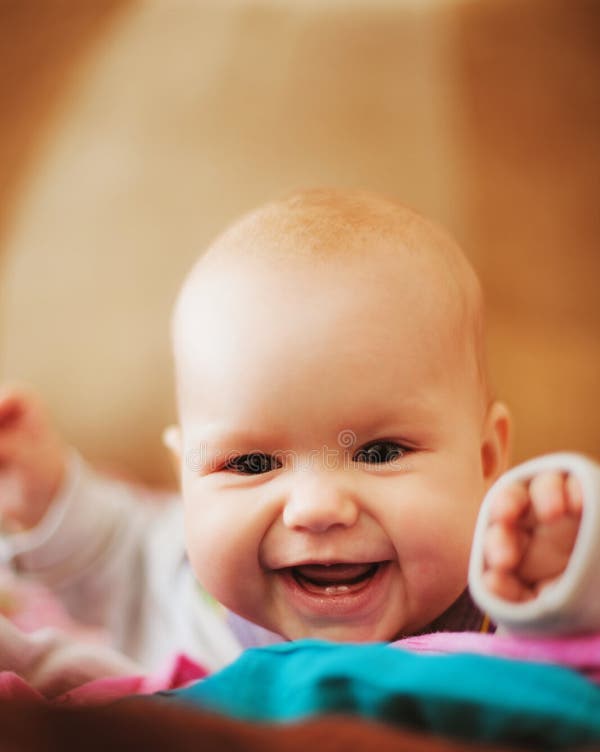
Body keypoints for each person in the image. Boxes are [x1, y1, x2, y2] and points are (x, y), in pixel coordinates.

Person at [0, 188, 591, 678]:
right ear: (186, 480)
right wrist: (46, 493)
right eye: (252, 464)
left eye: (380, 452)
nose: (316, 509)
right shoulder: (182, 591)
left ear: (488, 458)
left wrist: (564, 570)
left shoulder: (510, 606)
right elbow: (114, 554)